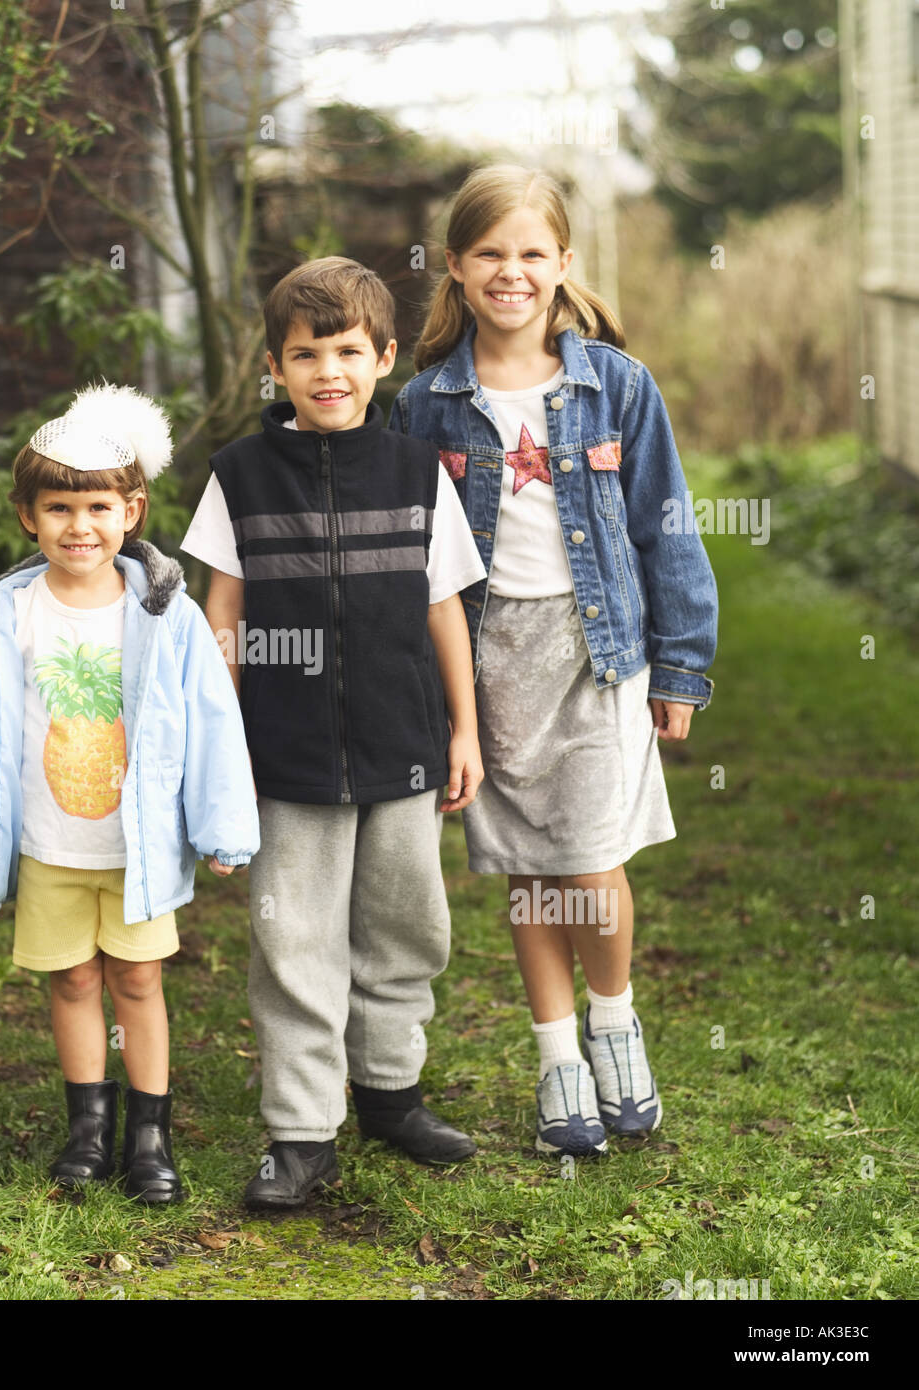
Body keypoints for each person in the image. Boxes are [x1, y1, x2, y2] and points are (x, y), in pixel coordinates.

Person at [391, 165, 719, 1158]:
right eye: (489, 252)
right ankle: (556, 1061)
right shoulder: (425, 405)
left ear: (562, 264)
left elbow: (667, 524)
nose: (511, 271)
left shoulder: (614, 386)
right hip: (486, 662)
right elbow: (413, 556)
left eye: (532, 253)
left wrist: (679, 665)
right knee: (528, 871)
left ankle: (613, 1025)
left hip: (597, 650)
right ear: (455, 266)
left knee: (589, 861)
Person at [182, 257, 489, 1209]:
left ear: (385, 357)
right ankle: (302, 1131)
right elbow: (221, 615)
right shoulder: (238, 476)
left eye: (349, 351)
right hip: (284, 757)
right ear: (275, 366)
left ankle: (393, 1094)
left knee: (406, 927)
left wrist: (464, 731)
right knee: (295, 938)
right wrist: (219, 744)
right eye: (306, 354)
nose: (329, 372)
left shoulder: (417, 473)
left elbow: (445, 608)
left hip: (403, 743)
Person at [0, 384, 259, 1203]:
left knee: (138, 981)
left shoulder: (163, 614)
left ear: (132, 510)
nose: (81, 526)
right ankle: (89, 1129)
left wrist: (222, 826)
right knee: (72, 980)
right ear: (29, 517)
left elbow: (213, 720)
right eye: (60, 507)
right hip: (49, 845)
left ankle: (149, 1136)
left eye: (99, 506)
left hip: (133, 843)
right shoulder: (5, 618)